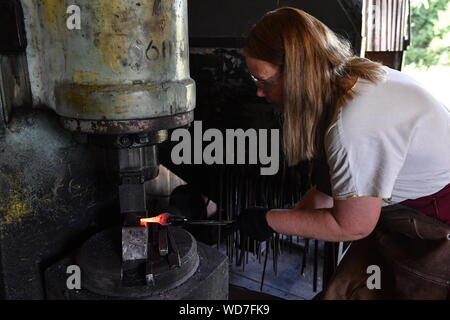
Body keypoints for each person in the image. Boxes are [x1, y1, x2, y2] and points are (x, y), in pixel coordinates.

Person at [237, 7, 450, 299]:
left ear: (298, 75)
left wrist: (268, 220)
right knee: (341, 292)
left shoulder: (353, 124)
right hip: (397, 214)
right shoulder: (350, 78)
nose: (260, 92)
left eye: (264, 81)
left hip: (435, 224)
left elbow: (353, 226)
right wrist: (284, 218)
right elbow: (328, 189)